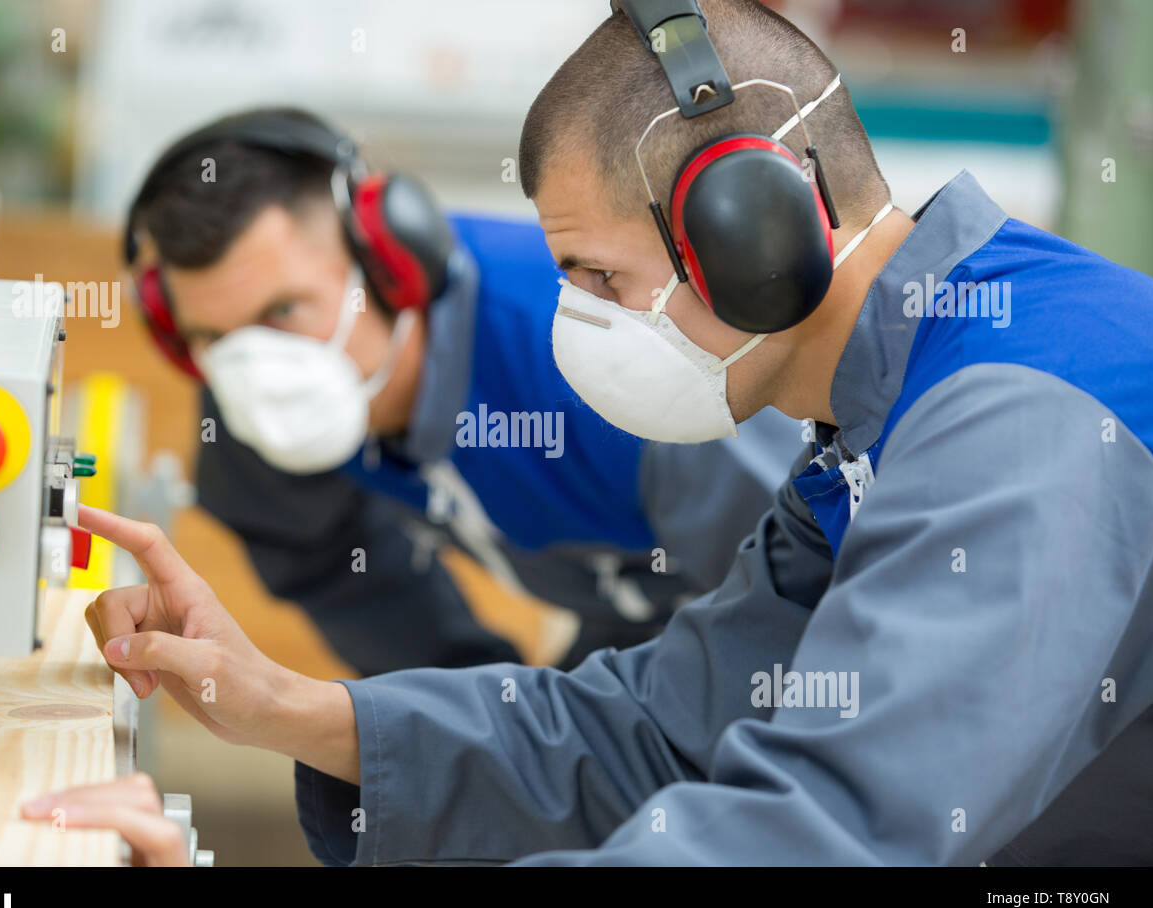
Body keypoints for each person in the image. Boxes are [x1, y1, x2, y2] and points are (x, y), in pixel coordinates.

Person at [30, 0, 1153, 866]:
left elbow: (823, 830)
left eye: (597, 276)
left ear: (756, 230)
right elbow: (660, 730)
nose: (577, 326)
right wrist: (298, 712)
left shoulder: (1016, 416)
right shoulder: (864, 425)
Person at [120, 107, 802, 677]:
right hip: (641, 620)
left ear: (389, 264)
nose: (257, 367)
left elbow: (822, 590)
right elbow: (331, 571)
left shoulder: (606, 352)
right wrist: (473, 720)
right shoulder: (257, 402)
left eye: (284, 313)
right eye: (212, 335)